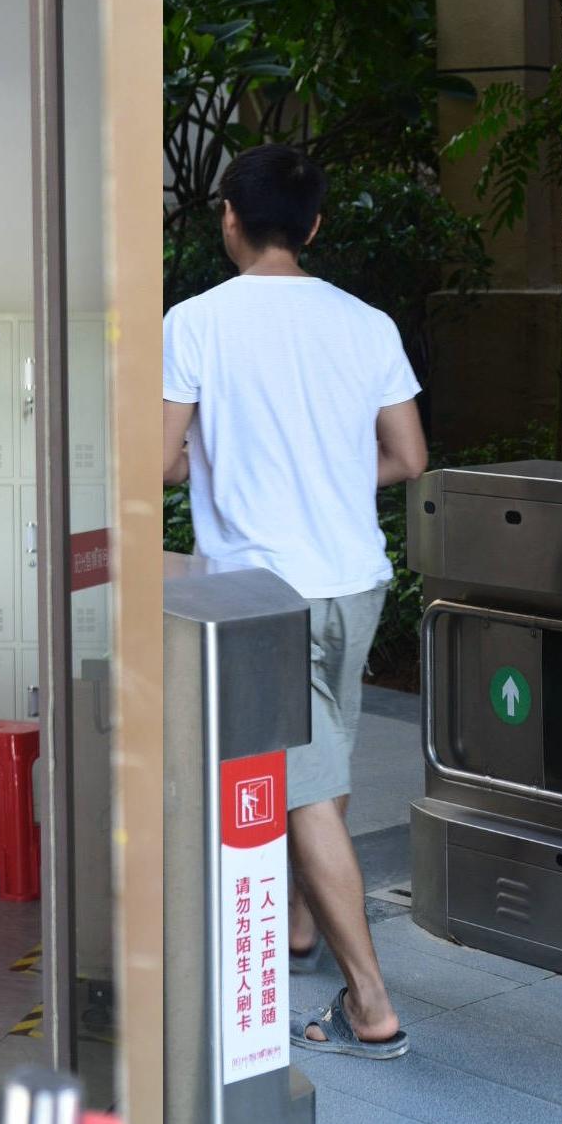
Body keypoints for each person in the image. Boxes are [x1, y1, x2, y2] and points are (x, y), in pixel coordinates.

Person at [163, 144, 427, 1061]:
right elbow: (409, 457)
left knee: (302, 786)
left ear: (230, 218)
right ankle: (305, 925)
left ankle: (371, 1004)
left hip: (262, 594)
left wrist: (212, 464)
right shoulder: (366, 322)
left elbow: (157, 459)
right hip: (354, 578)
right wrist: (332, 476)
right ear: (312, 225)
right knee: (321, 766)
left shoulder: (197, 321)